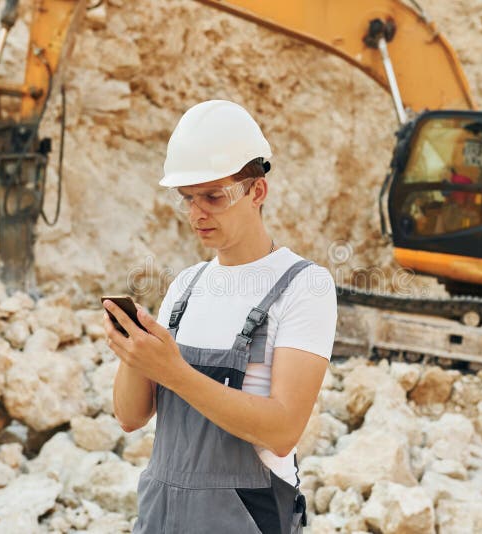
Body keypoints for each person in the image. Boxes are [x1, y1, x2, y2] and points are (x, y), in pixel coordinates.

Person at [104, 99, 338, 533]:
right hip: (161, 517)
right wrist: (133, 354)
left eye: (214, 196)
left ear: (257, 191)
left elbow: (283, 430)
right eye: (188, 199)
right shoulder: (184, 288)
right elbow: (130, 417)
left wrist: (174, 373)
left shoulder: (304, 286)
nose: (197, 213)